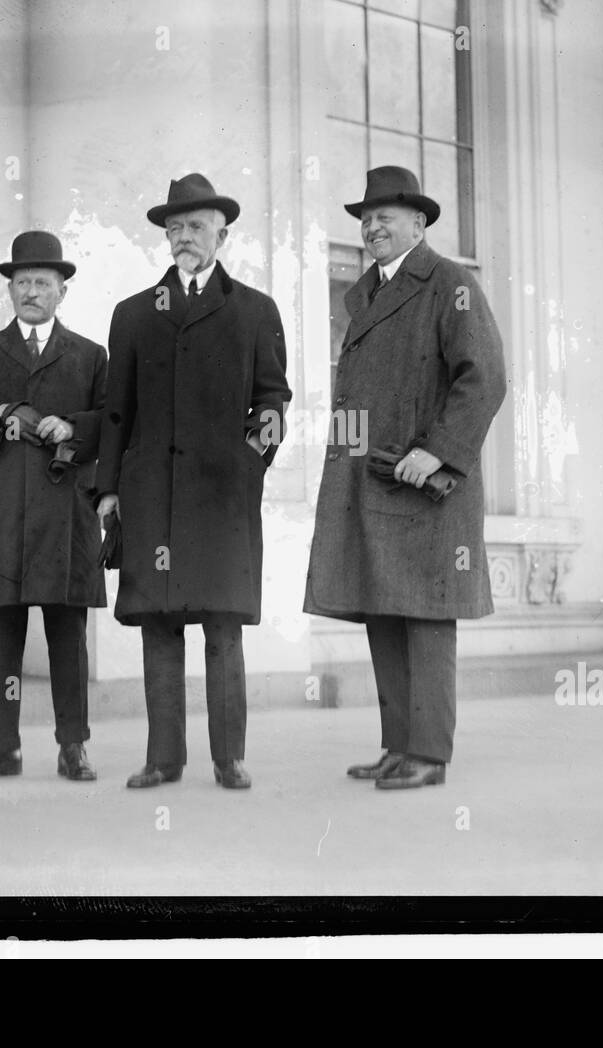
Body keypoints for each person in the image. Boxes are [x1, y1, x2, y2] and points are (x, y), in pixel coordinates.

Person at [304, 167, 507, 790]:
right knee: (383, 614)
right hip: (372, 480)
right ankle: (398, 747)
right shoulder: (365, 294)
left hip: (424, 487)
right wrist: (342, 471)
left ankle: (429, 755)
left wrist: (439, 454)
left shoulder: (452, 285)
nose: (372, 227)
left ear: (419, 224)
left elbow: (485, 380)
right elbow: (357, 400)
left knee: (423, 618)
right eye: (366, 218)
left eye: (385, 216)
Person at [96, 173, 291, 791]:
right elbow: (115, 410)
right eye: (174, 228)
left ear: (222, 233)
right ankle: (164, 758)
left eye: (196, 226)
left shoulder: (256, 311)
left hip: (222, 497)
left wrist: (250, 462)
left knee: (223, 627)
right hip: (151, 494)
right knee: (159, 626)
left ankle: (228, 757)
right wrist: (108, 488)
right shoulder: (133, 314)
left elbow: (272, 400)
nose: (184, 237)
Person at [0, 230, 107, 782]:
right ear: (10, 291)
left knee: (67, 638)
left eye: (43, 282)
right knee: (0, 638)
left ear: (62, 292)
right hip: (2, 517)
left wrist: (73, 426)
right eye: (23, 282)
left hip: (64, 517)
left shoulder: (89, 356)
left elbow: (114, 422)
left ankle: (73, 746)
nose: (32, 291)